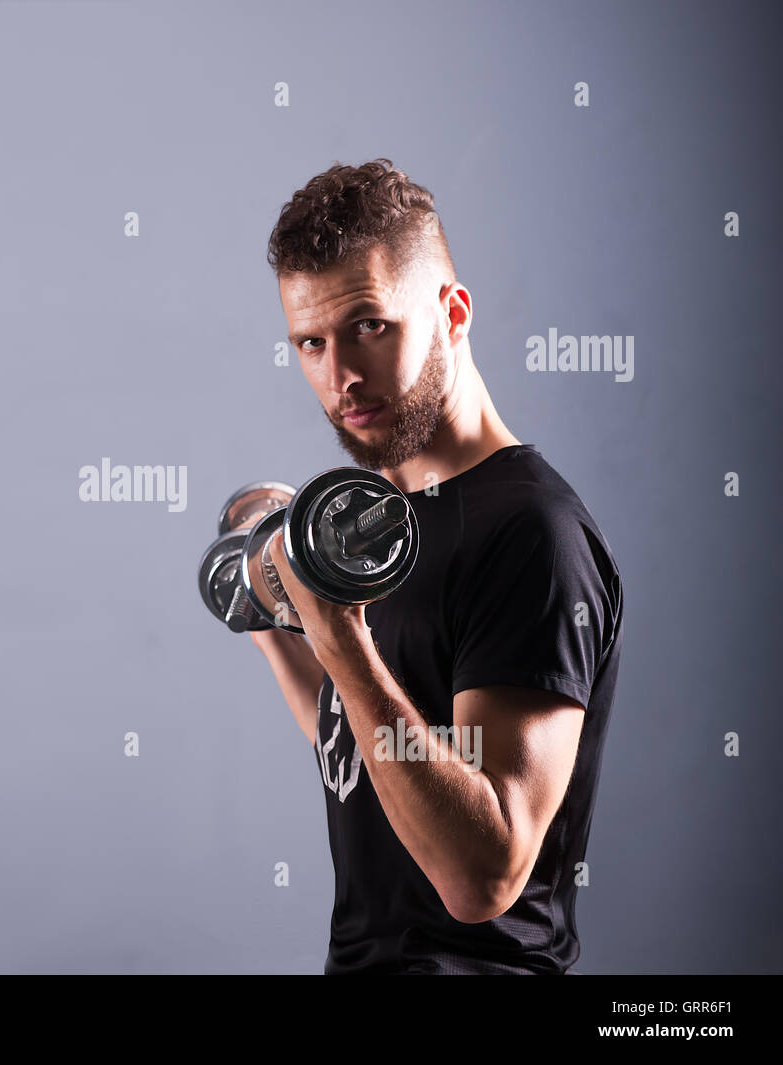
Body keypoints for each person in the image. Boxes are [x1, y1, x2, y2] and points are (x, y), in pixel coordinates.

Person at [253, 159, 623, 974]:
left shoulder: (531, 532)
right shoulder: (385, 520)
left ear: (452, 313)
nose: (341, 375)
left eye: (370, 327)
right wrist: (276, 621)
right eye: (311, 343)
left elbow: (482, 873)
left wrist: (341, 641)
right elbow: (364, 737)